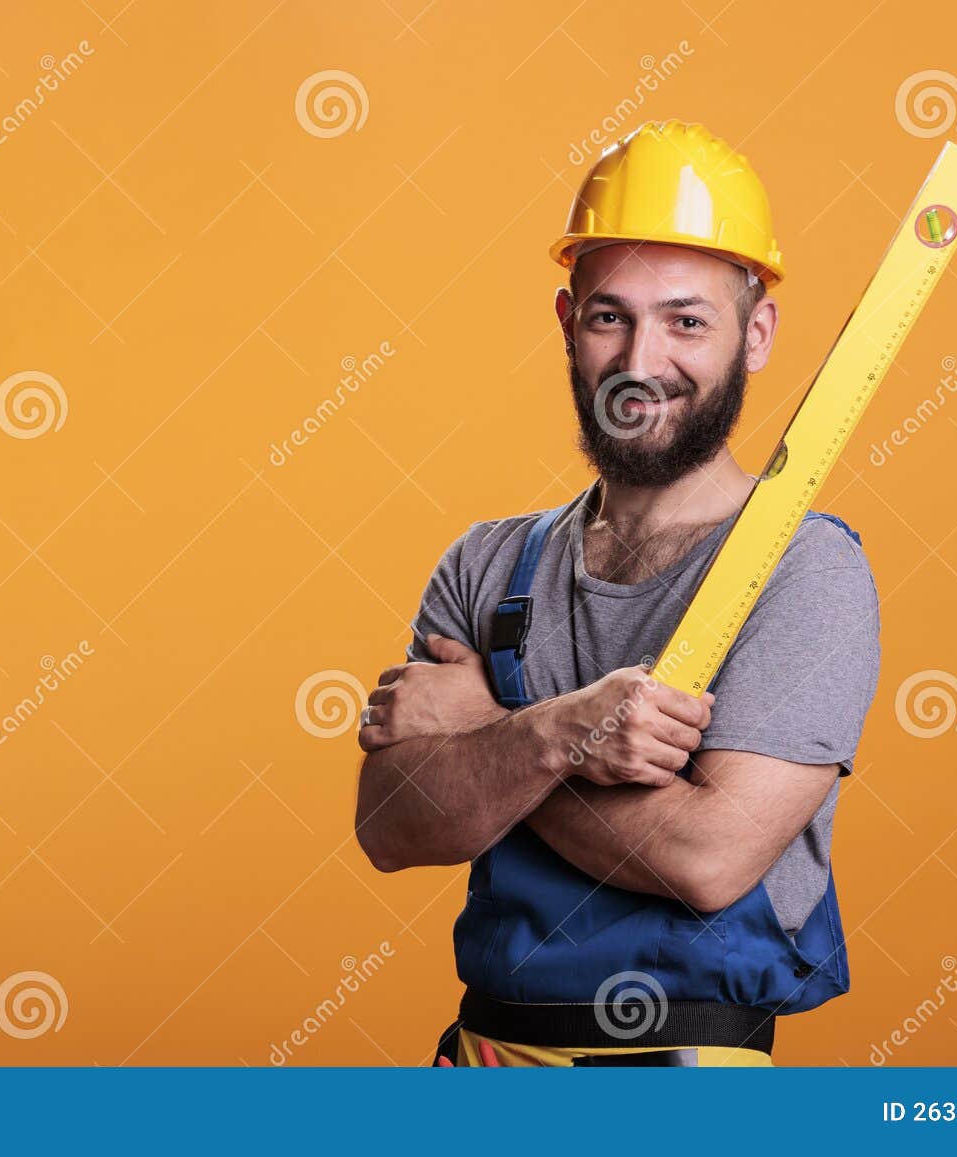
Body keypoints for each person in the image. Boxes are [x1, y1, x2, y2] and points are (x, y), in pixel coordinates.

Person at [353, 119, 881, 1067]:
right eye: (610, 317)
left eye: (687, 321)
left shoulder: (806, 569)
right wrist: (558, 733)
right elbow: (391, 825)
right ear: (568, 323)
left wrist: (489, 731)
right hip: (480, 1065)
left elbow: (707, 859)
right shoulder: (486, 563)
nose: (641, 361)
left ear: (756, 335)